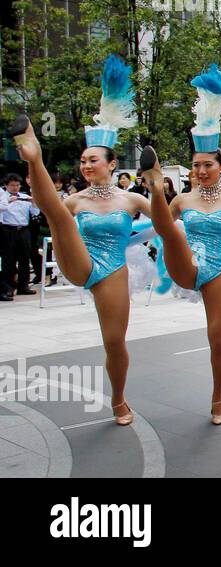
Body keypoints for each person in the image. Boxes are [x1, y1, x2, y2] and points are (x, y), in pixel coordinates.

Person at [8, 55, 154, 424]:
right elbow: (46, 207)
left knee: (114, 342)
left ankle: (119, 399)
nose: (86, 165)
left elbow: (167, 223)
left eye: (93, 160)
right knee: (58, 212)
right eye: (83, 161)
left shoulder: (132, 199)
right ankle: (33, 157)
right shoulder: (75, 200)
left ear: (111, 162)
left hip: (114, 270)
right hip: (81, 262)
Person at [139, 65, 221, 427]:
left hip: (219, 268)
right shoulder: (183, 200)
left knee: (216, 338)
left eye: (207, 165)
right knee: (170, 230)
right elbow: (157, 227)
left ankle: (218, 397)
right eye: (194, 165)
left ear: (220, 166)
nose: (200, 171)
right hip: (185, 263)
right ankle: (154, 185)